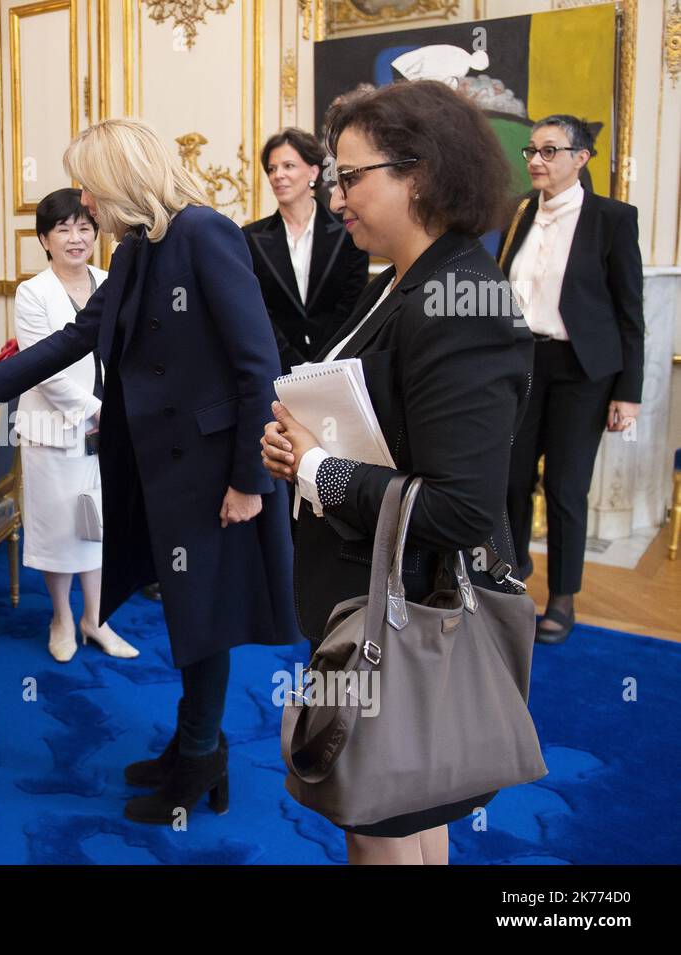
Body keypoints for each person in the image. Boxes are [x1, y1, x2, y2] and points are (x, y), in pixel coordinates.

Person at [0, 119, 300, 825]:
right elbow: (78, 336)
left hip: (213, 472)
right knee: (192, 614)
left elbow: (260, 365)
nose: (85, 202)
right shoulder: (138, 250)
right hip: (159, 469)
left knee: (207, 617)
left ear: (121, 178)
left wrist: (249, 482)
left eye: (90, 185)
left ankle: (198, 758)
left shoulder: (204, 233)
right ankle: (197, 744)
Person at [261, 80, 533, 864]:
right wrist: (301, 460)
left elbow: (459, 509)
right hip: (375, 597)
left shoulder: (461, 300)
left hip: (407, 612)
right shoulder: (401, 282)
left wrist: (319, 467)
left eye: (349, 177)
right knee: (404, 800)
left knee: (379, 809)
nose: (335, 196)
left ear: (419, 172)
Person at [500, 115, 644, 645]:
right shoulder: (520, 214)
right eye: (531, 151)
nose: (536, 160)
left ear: (580, 158)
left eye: (550, 151)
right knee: (512, 477)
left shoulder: (612, 219)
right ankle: (512, 576)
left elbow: (630, 312)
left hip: (583, 372)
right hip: (522, 364)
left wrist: (628, 393)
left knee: (564, 486)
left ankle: (563, 597)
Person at [15, 188, 138, 663]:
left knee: (100, 526)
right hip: (57, 430)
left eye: (84, 227)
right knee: (60, 528)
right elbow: (44, 369)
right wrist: (98, 409)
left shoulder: (111, 281)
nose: (75, 237)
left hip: (111, 430)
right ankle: (63, 618)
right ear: (45, 239)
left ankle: (97, 619)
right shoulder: (32, 292)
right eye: (63, 229)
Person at [242, 128, 369, 369]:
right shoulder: (249, 238)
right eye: (272, 169)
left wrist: (323, 361)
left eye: (288, 166)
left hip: (336, 364)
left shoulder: (347, 233)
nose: (278, 175)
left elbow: (352, 304)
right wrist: (292, 362)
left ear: (313, 171)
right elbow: (257, 311)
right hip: (276, 367)